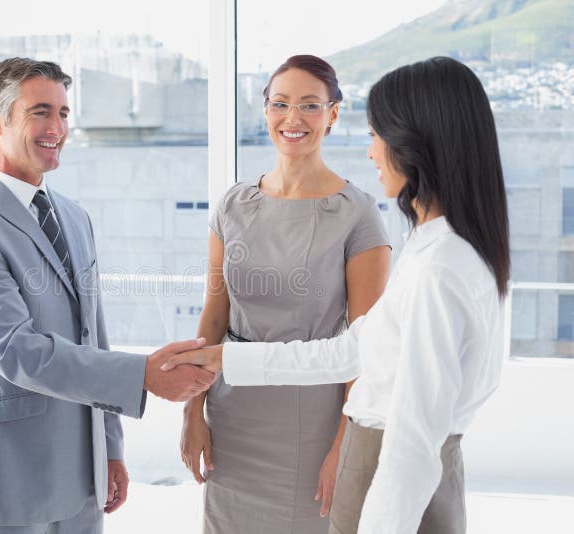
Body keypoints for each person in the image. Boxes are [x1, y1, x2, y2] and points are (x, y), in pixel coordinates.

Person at [163, 56, 511, 534]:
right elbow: (351, 350)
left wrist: (342, 456)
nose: (370, 153)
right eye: (280, 103)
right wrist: (215, 374)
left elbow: (410, 437)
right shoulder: (434, 251)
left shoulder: (425, 258)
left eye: (376, 136)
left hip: (344, 440)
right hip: (245, 417)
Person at [0, 57, 214, 533]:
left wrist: (110, 447)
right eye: (40, 111)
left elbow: (92, 335)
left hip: (83, 476)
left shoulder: (73, 216)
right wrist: (143, 375)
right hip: (12, 480)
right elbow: (16, 351)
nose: (57, 127)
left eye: (63, 113)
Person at [179, 54, 391, 533]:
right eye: (281, 104)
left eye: (310, 106)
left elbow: (367, 349)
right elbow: (213, 316)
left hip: (313, 423)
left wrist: (345, 450)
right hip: (232, 414)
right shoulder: (232, 205)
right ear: (266, 111)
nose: (292, 119)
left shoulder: (357, 215)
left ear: (333, 114)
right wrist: (193, 413)